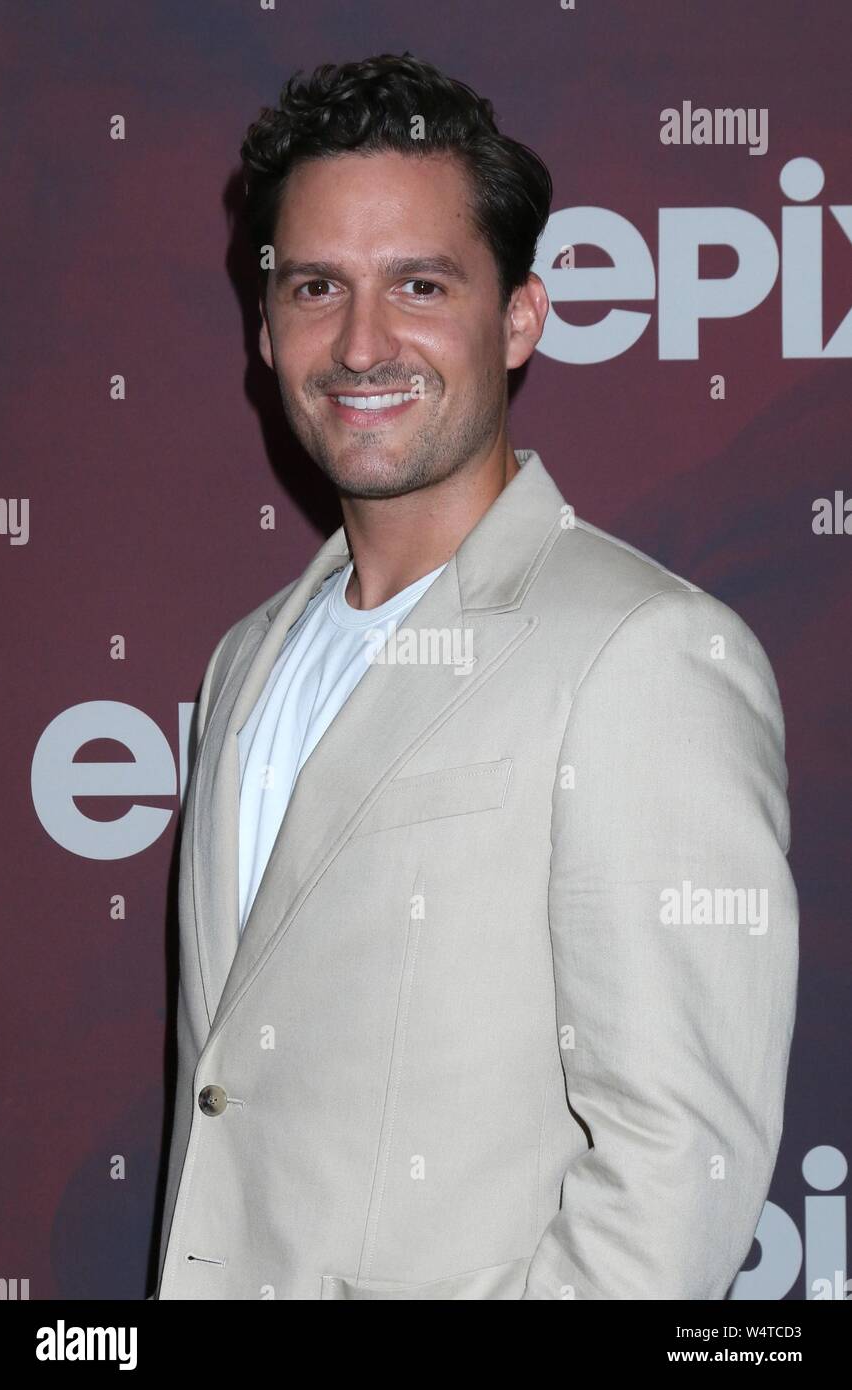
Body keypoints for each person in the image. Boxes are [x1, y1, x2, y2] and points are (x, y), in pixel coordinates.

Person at [153, 52, 798, 1300]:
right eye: (315, 287)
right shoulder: (246, 663)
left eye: (420, 284)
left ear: (517, 318)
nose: (360, 342)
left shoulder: (642, 654)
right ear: (264, 322)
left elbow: (677, 1177)